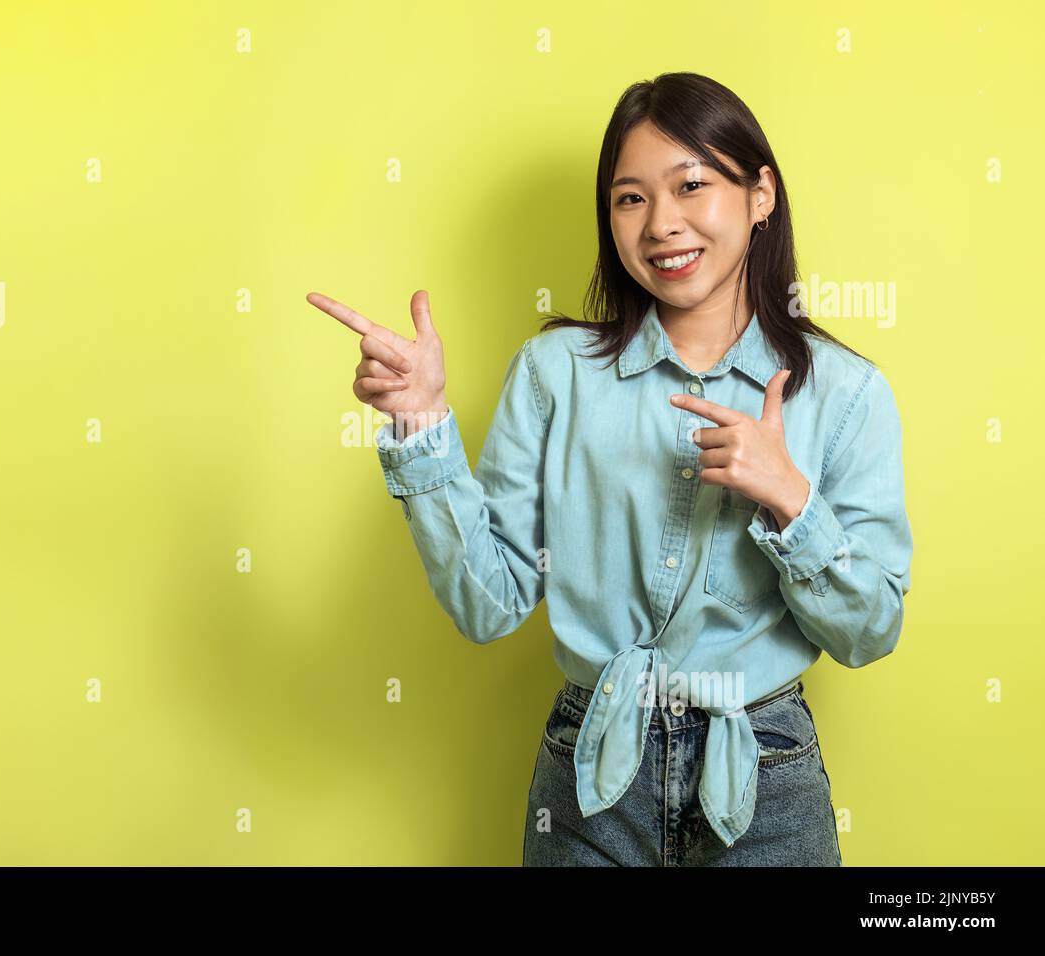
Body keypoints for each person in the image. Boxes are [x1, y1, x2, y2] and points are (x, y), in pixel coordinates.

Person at [305, 71, 912, 866]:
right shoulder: (553, 374)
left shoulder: (847, 393)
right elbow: (489, 605)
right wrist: (421, 424)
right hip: (589, 772)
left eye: (691, 184)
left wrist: (791, 500)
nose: (662, 223)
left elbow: (871, 631)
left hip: (764, 771)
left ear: (761, 193)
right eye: (631, 198)